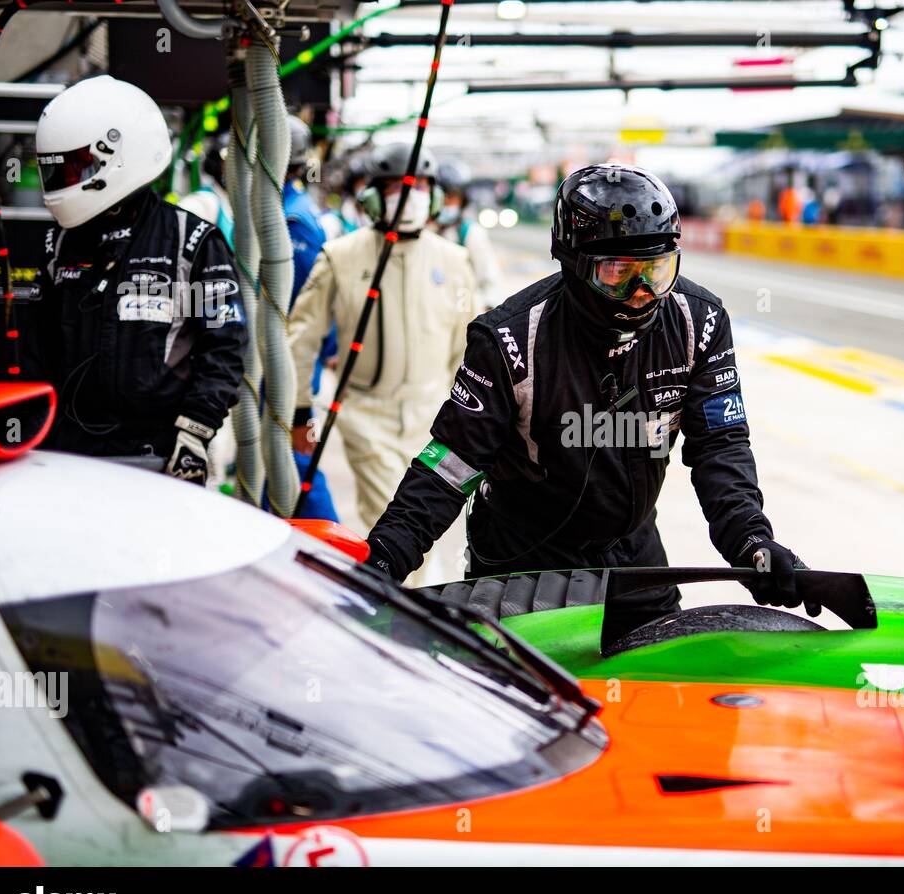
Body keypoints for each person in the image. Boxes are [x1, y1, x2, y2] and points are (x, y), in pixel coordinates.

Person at [364, 163, 821, 636]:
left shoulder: (698, 322)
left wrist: (750, 539)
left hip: (634, 554)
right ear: (574, 262)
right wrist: (386, 555)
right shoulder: (509, 339)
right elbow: (450, 467)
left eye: (656, 270)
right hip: (523, 561)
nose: (642, 293)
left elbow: (720, 445)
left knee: (652, 690)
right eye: (618, 273)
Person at [22, 75, 246, 485]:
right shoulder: (57, 245)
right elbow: (34, 350)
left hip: (159, 458)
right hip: (64, 456)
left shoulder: (190, 242)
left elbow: (224, 347)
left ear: (116, 156)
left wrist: (195, 431)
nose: (63, 180)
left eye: (74, 167)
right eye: (56, 170)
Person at [287, 140, 476, 579]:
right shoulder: (341, 256)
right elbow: (300, 339)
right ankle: (416, 625)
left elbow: (467, 346)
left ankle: (424, 612)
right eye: (394, 187)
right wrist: (299, 411)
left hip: (435, 416)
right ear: (372, 196)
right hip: (366, 416)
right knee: (394, 525)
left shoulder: (454, 261)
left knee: (432, 532)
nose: (407, 196)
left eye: (417, 186)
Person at [281, 114, 339, 520]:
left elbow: (305, 309)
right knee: (278, 462)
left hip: (288, 361)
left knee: (297, 460)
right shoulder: (286, 209)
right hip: (280, 360)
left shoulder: (294, 221)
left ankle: (333, 553)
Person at [432, 159, 504, 311]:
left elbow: (490, 280)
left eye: (452, 197)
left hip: (463, 309)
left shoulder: (470, 233)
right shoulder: (424, 231)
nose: (446, 203)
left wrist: (486, 310)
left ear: (462, 200)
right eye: (442, 198)